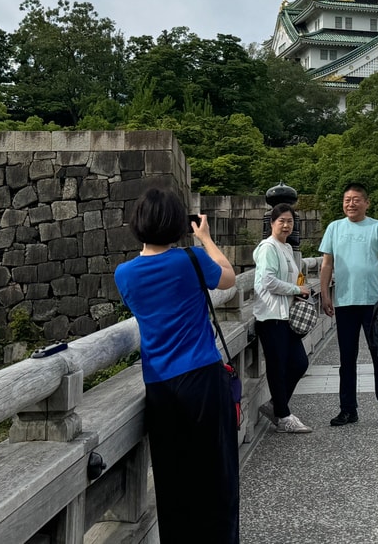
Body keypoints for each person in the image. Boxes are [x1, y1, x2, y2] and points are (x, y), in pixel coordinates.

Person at [113, 187, 239, 543]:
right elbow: (227, 276)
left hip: (160, 386)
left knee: (173, 479)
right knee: (217, 476)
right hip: (201, 377)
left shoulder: (124, 274)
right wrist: (206, 239)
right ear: (177, 224)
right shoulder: (190, 260)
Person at [318, 183, 378, 428]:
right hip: (345, 302)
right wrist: (325, 293)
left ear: (367, 202)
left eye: (356, 199)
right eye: (347, 200)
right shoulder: (334, 228)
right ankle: (347, 409)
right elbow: (326, 264)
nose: (350, 204)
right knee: (347, 358)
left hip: (374, 303)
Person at [252, 203, 313, 434]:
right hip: (270, 316)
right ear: (272, 223)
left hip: (285, 316)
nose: (286, 225)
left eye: (290, 221)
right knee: (278, 367)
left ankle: (276, 406)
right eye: (282, 221)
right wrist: (297, 291)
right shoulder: (268, 248)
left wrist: (299, 290)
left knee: (299, 363)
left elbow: (293, 278)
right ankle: (284, 416)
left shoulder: (286, 248)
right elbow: (268, 281)